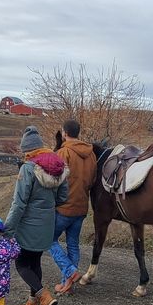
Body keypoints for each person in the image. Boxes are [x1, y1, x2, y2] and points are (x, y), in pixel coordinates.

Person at [5, 126, 69, 305]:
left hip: (28, 226)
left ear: (28, 151)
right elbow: (63, 198)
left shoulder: (28, 169)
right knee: (35, 262)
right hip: (47, 224)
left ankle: (44, 296)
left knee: (22, 263)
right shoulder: (58, 167)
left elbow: (19, 203)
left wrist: (7, 230)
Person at [49, 120, 97, 295]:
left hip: (64, 207)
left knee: (48, 239)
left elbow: (55, 180)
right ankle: (67, 285)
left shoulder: (63, 152)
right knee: (73, 245)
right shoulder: (91, 154)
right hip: (82, 207)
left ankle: (70, 271)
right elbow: (92, 181)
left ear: (64, 133)